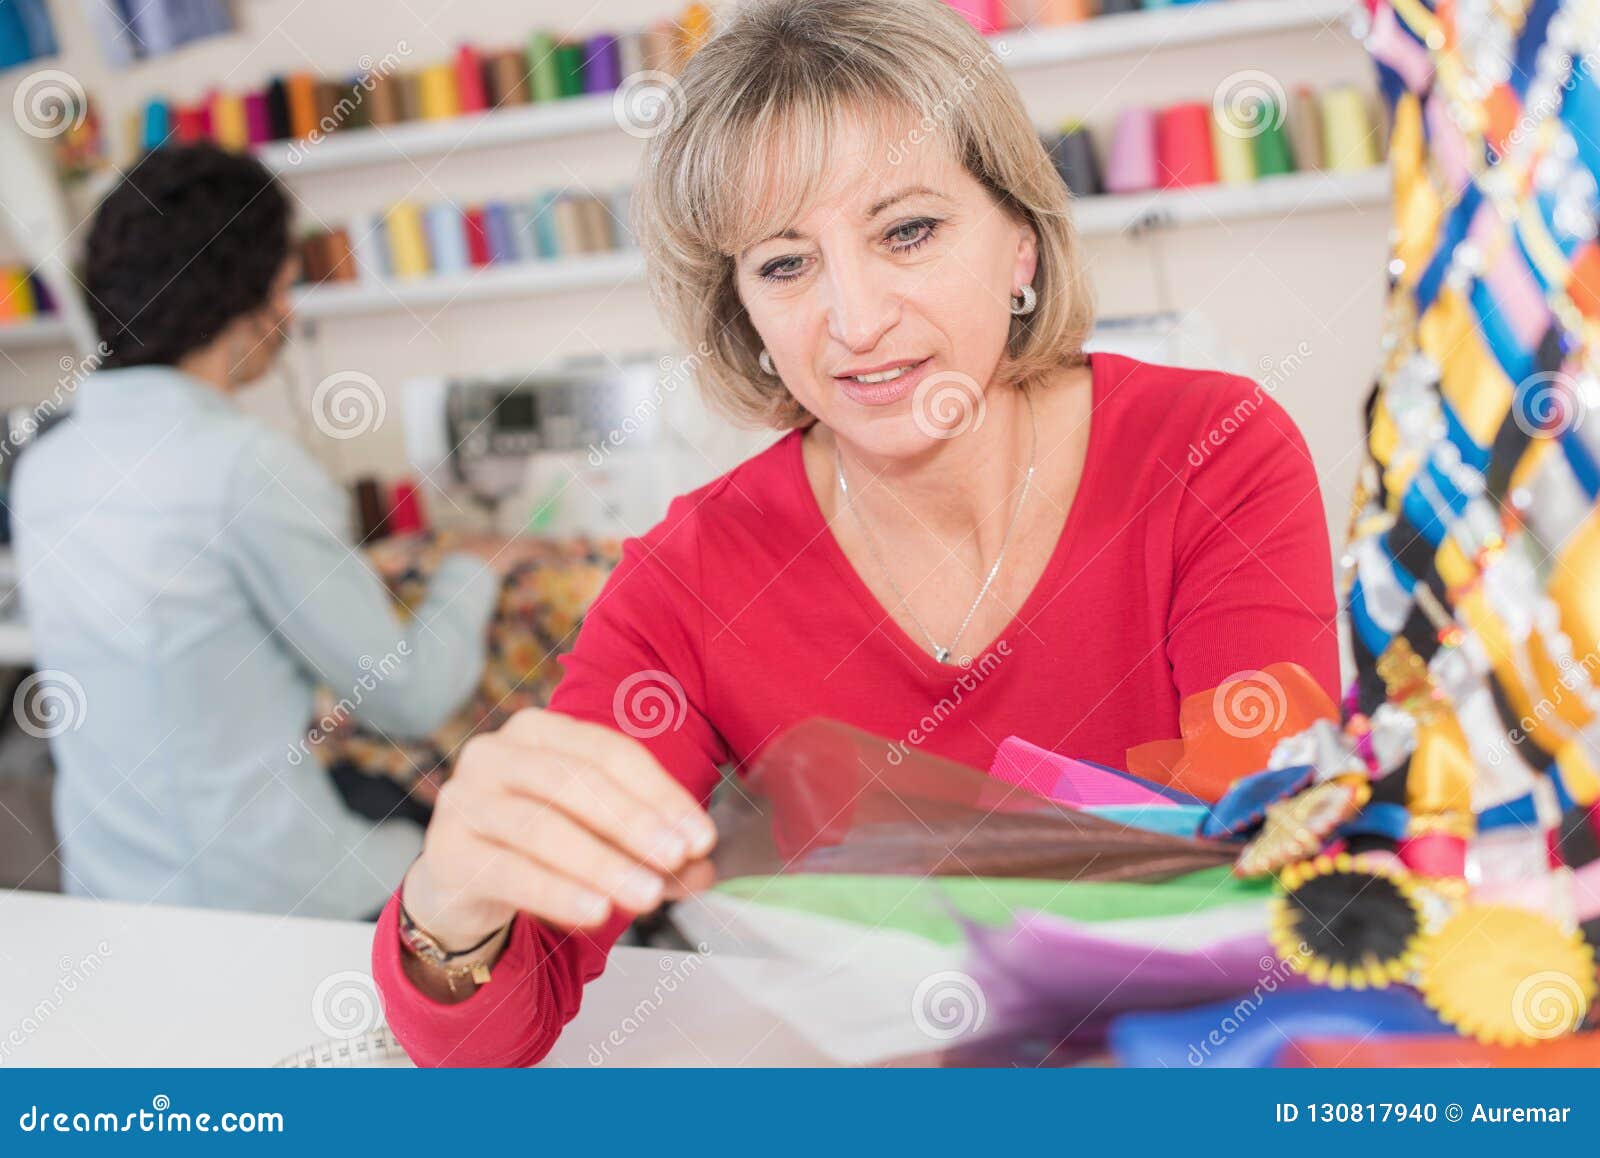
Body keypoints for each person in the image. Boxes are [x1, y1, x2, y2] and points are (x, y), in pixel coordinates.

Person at [375, 0, 1339, 1064]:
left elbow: (1280, 872)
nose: (856, 319)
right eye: (785, 264)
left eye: (908, 231)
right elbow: (488, 1037)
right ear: (740, 307)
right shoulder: (692, 581)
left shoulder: (1211, 451)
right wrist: (450, 906)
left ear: (1019, 243)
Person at [11, 144, 529, 918]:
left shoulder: (43, 466)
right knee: (500, 848)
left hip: (109, 889)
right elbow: (411, 695)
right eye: (286, 288)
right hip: (262, 897)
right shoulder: (242, 468)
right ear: (245, 302)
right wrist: (476, 570)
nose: (289, 315)